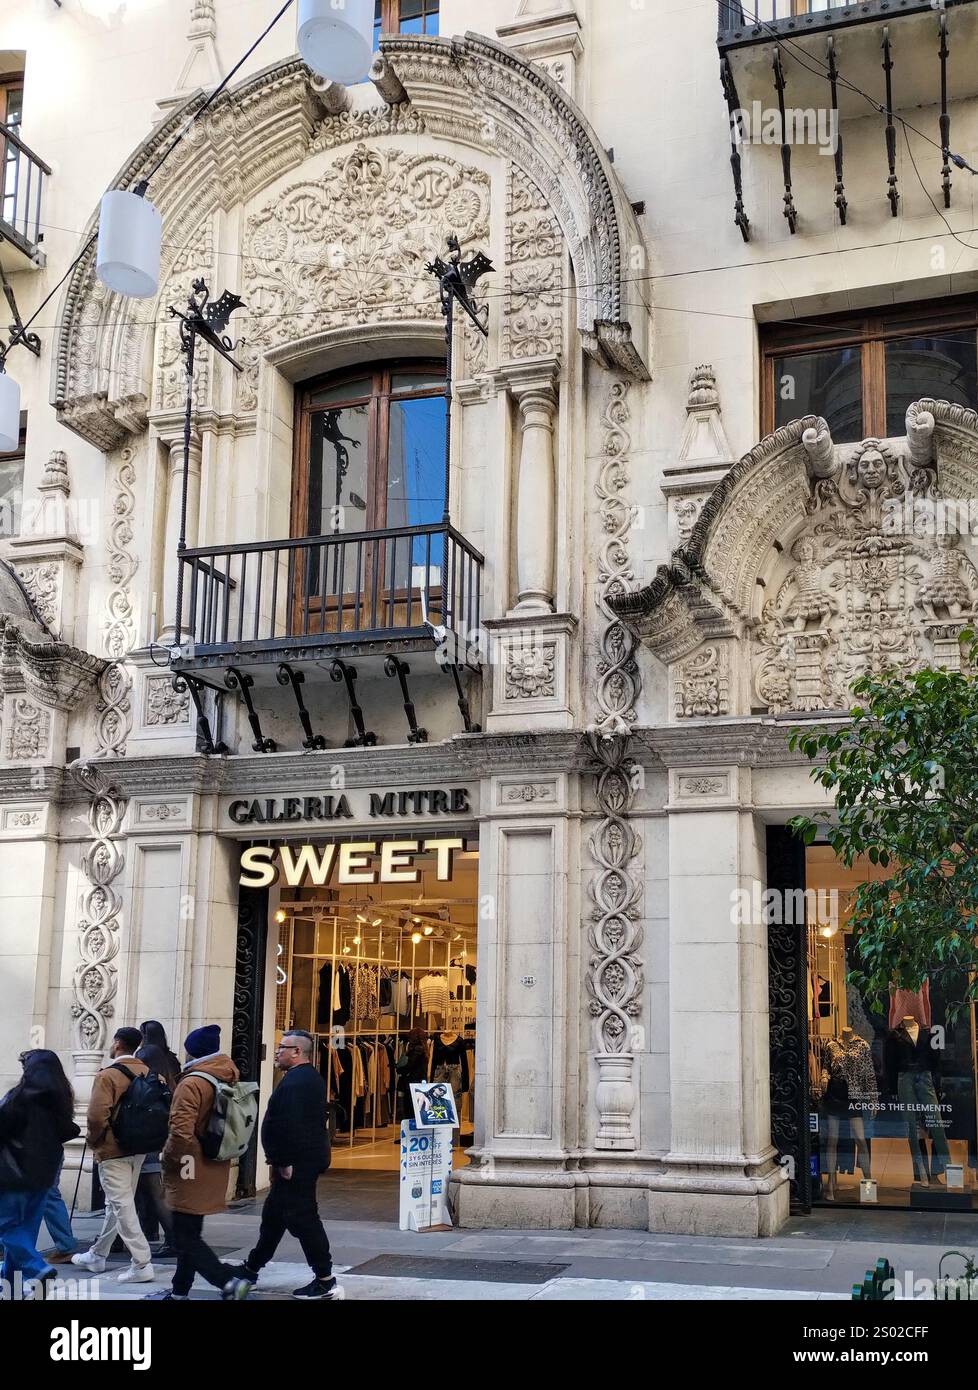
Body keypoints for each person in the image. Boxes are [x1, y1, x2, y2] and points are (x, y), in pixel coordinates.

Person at [225, 1030, 337, 1302]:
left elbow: (293, 1126)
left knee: (303, 1219)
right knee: (274, 1218)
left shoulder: (300, 1082)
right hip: (295, 1162)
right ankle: (251, 1268)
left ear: (297, 1052)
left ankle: (325, 1279)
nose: (277, 1051)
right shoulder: (303, 1078)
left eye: (282, 1047)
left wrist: (283, 1162)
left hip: (297, 1164)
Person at [145, 1025, 242, 1302]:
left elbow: (180, 1130)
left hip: (189, 1163)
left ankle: (227, 1282)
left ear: (191, 1051)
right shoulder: (224, 1075)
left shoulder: (192, 1082)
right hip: (212, 1160)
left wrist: (171, 1159)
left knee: (185, 1236)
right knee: (190, 1229)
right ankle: (179, 1291)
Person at [72, 1027, 156, 1284]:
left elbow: (97, 1116)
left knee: (122, 1205)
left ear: (118, 1043)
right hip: (140, 1147)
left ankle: (142, 1263)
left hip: (113, 1150)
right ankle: (98, 1254)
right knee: (117, 1203)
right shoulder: (149, 1072)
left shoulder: (108, 1075)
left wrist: (95, 1142)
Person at [0, 1049, 80, 1299]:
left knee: (5, 1227)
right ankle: (10, 1286)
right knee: (23, 1231)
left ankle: (37, 1268)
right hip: (44, 1176)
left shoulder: (19, 1098)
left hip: (12, 1174)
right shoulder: (61, 1100)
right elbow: (70, 1130)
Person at [135, 1023, 179, 1258]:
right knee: (146, 1184)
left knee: (149, 1185)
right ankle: (149, 1230)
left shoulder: (144, 1055)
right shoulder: (171, 1058)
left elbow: (137, 1087)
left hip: (146, 1126)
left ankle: (171, 1238)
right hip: (164, 1124)